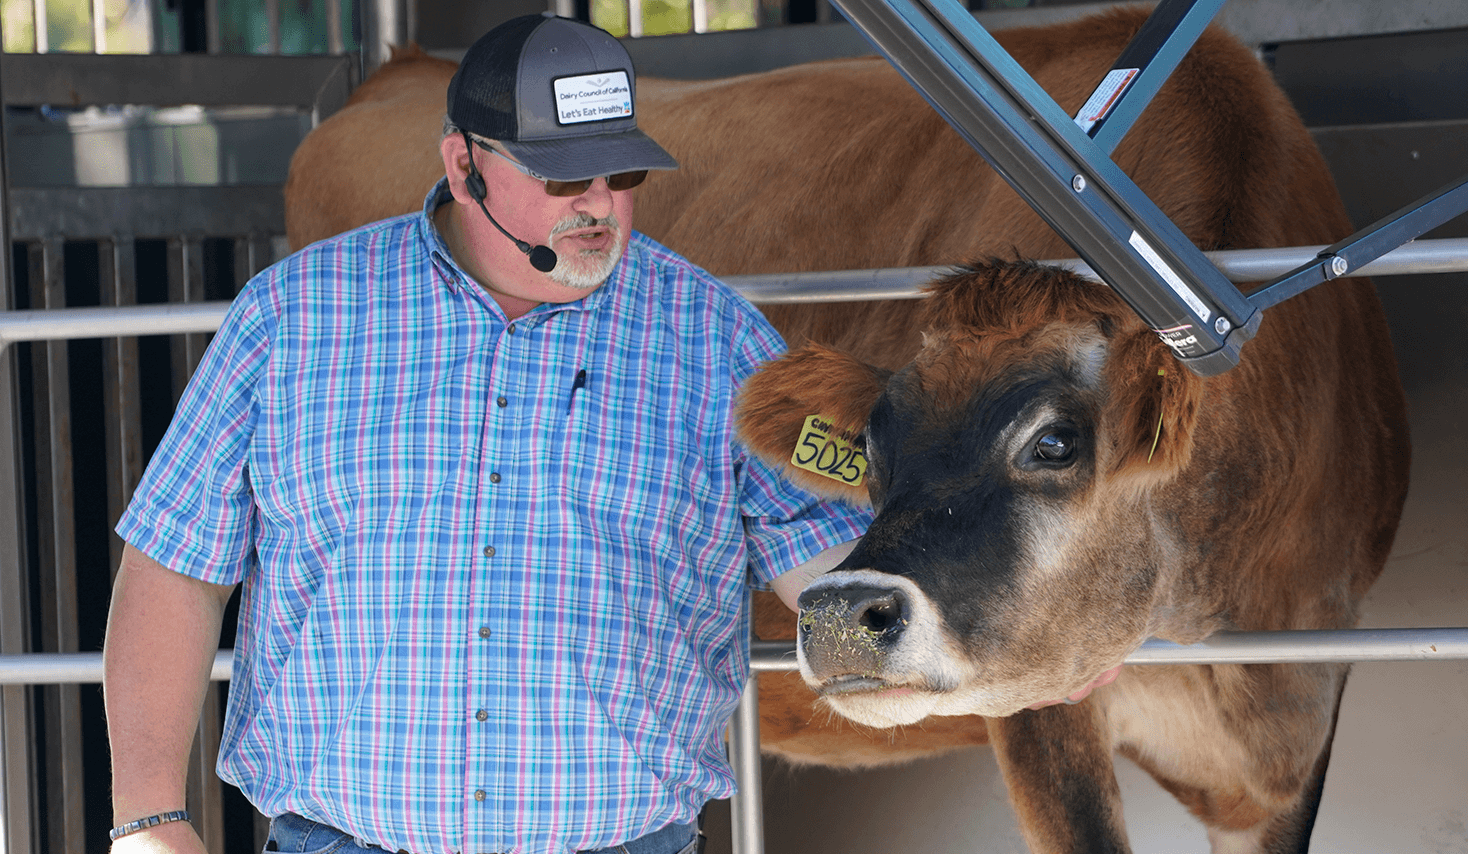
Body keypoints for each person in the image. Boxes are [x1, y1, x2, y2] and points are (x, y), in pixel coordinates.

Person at [102, 12, 869, 854]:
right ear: (464, 165)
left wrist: (887, 656)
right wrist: (147, 816)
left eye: (621, 171)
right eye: (561, 175)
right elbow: (176, 566)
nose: (599, 203)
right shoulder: (291, 319)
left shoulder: (721, 342)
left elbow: (825, 567)